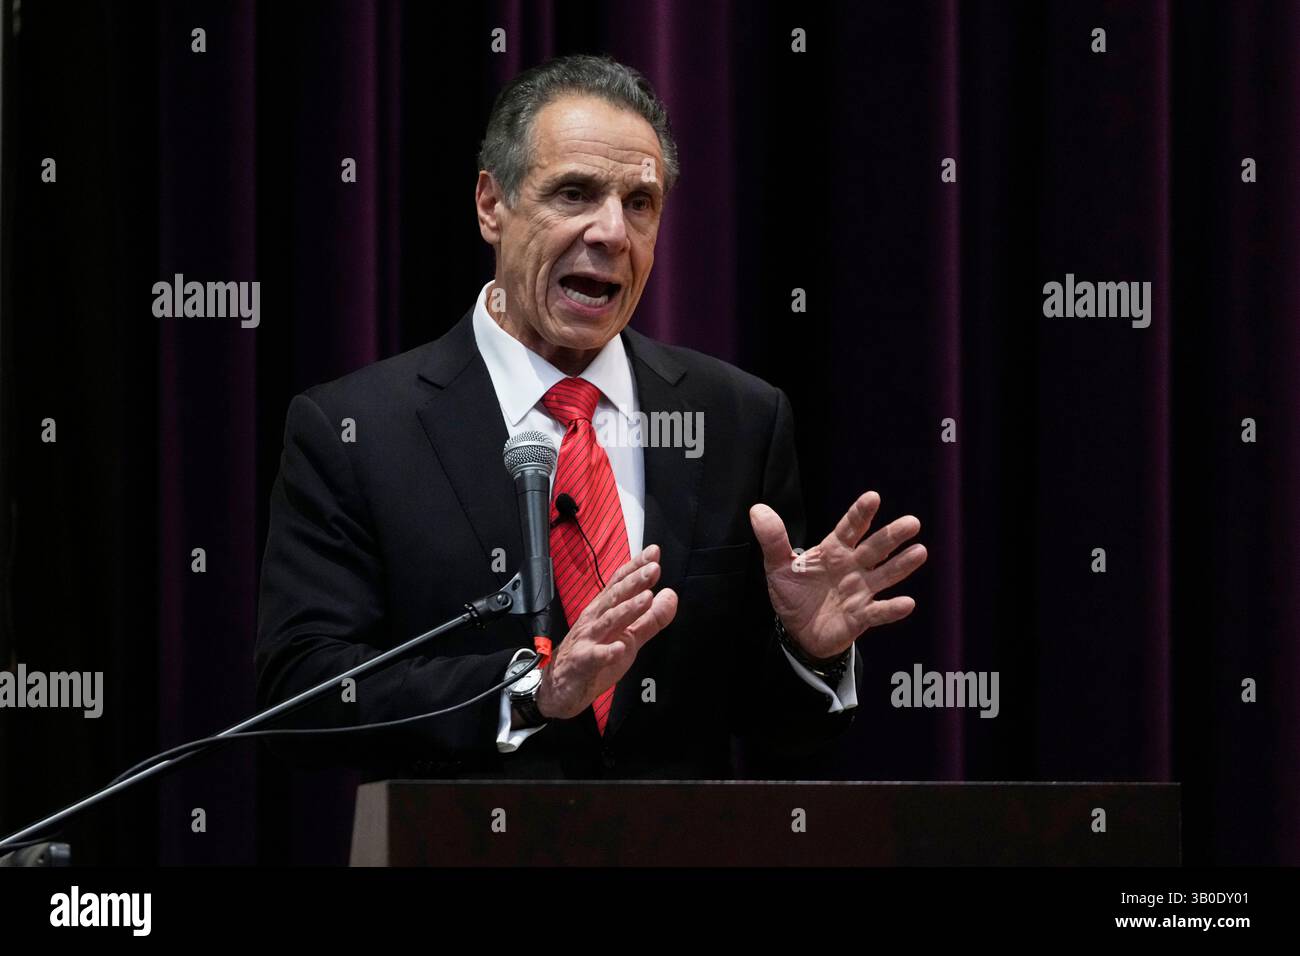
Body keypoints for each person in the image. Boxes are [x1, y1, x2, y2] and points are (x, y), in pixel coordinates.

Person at [254, 54, 927, 781]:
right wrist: (528, 693)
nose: (611, 232)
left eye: (639, 203)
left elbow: (776, 734)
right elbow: (302, 698)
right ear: (491, 204)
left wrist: (807, 652)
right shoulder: (355, 431)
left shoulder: (738, 418)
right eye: (575, 193)